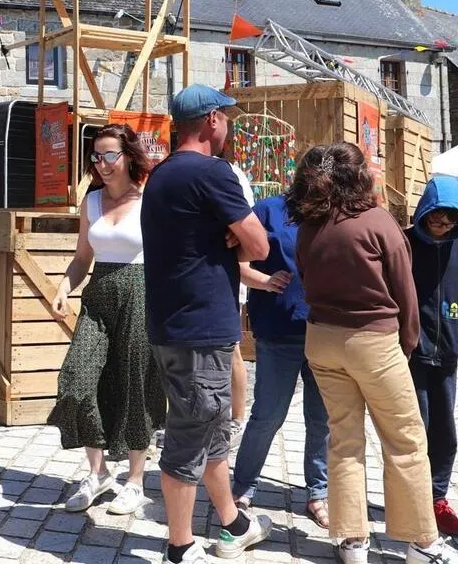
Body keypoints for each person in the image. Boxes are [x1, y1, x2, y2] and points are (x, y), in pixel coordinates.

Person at [291, 142, 458, 564]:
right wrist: (406, 343)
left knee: (344, 440)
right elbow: (405, 291)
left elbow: (304, 276)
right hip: (372, 341)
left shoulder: (309, 227)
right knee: (406, 441)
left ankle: (352, 541)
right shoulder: (377, 221)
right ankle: (421, 542)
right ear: (359, 177)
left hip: (321, 339)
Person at [141, 84, 272, 563]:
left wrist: (223, 235)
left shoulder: (160, 175)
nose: (229, 125)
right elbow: (259, 246)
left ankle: (235, 524)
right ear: (212, 119)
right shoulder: (214, 172)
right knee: (189, 436)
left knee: (212, 429)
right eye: (227, 117)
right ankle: (180, 547)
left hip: (172, 323)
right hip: (200, 327)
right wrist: (233, 236)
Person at [47, 124, 166, 516]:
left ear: (128, 156)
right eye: (96, 156)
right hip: (98, 297)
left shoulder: (150, 199)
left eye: (110, 155)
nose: (102, 164)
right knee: (77, 380)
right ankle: (98, 473)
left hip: (140, 296)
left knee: (136, 384)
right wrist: (64, 286)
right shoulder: (92, 201)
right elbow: (83, 258)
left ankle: (135, 481)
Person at [232, 187, 331, 528]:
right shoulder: (267, 211)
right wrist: (265, 281)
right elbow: (236, 264)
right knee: (267, 416)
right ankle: (243, 487)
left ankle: (318, 493)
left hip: (325, 332)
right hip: (278, 331)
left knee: (321, 419)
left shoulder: (333, 212)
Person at [406, 177, 458, 537]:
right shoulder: (406, 242)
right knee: (413, 431)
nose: (442, 225)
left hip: (448, 354)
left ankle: (437, 499)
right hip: (411, 354)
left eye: (450, 219)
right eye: (436, 218)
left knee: (444, 432)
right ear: (425, 212)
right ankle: (410, 500)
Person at [226, 161, 254, 447]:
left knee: (231, 348)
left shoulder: (230, 173)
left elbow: (246, 221)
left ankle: (237, 418)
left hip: (228, 276)